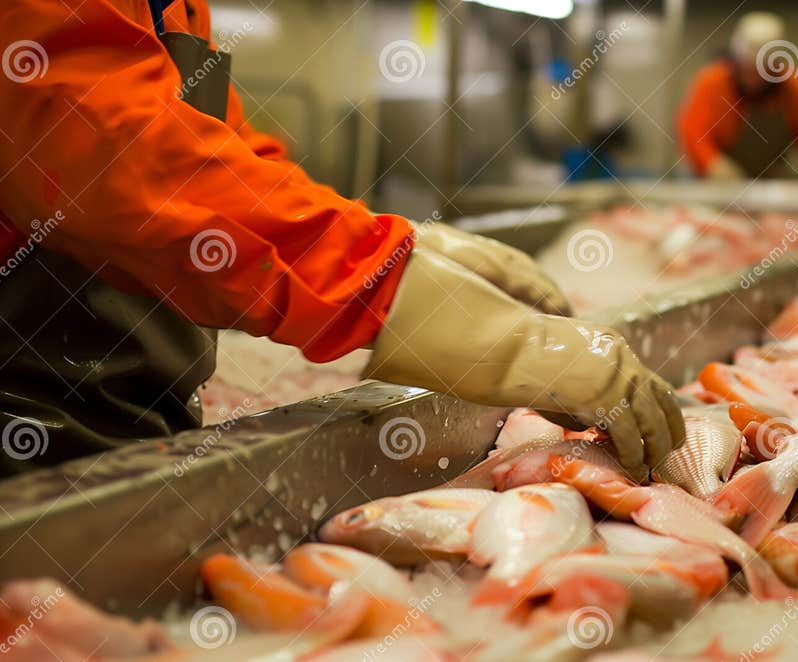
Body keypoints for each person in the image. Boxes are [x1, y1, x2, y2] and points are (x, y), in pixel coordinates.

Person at [0, 0, 684, 476]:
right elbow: (113, 162)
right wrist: (393, 286)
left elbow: (222, 159)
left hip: (119, 423)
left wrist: (404, 242)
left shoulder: (175, 7)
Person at [677, 12, 798, 180]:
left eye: (762, 71)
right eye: (749, 69)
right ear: (737, 61)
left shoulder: (791, 86)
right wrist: (713, 165)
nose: (754, 78)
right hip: (716, 184)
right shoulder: (712, 81)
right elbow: (692, 130)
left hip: (768, 184)